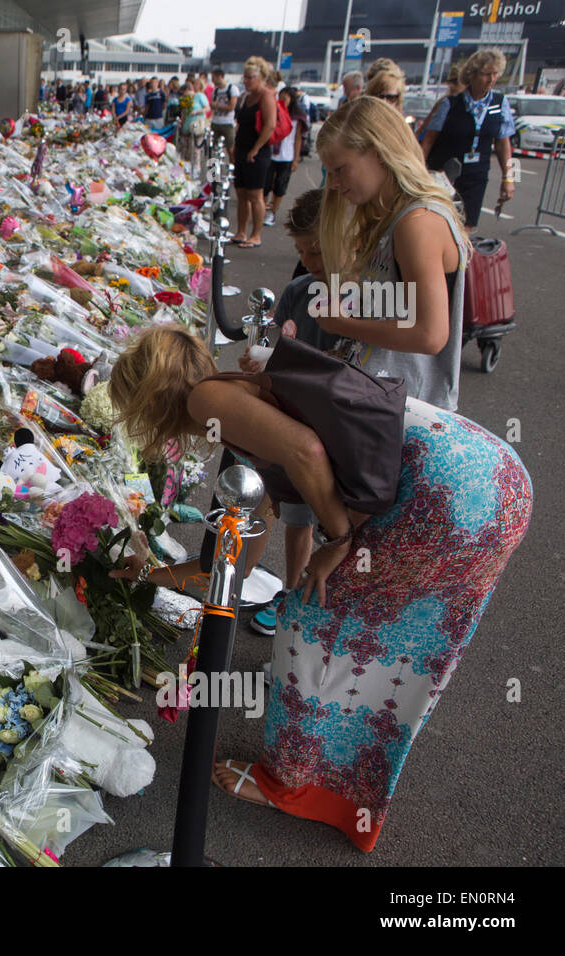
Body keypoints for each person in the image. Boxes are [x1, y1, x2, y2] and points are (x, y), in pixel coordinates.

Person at [107, 320, 532, 852]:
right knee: (402, 647)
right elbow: (233, 560)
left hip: (442, 493)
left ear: (151, 395)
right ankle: (340, 792)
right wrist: (149, 575)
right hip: (492, 478)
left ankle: (290, 783)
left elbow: (305, 451)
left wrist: (340, 537)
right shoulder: (244, 399)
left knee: (315, 624)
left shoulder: (206, 401)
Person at [317, 96, 469, 411]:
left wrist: (342, 324)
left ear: (378, 152)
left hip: (405, 413)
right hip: (379, 400)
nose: (333, 184)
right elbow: (386, 313)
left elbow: (429, 335)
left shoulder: (417, 223)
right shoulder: (389, 218)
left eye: (340, 169)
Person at [242, 190, 334, 636]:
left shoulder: (364, 297)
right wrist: (260, 360)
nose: (309, 259)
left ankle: (301, 596)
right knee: (289, 509)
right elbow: (278, 346)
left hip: (333, 427)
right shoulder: (298, 291)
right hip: (293, 418)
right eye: (301, 251)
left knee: (328, 521)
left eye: (317, 249)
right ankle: (280, 587)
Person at [421, 48, 516, 231]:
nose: (491, 79)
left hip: (476, 174)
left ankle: (460, 259)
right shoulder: (449, 104)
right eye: (486, 74)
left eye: (495, 74)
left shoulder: (500, 103)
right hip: (443, 173)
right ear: (472, 75)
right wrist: (419, 171)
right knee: (438, 223)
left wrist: (509, 178)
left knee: (467, 224)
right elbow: (428, 140)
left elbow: (504, 143)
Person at [232, 57, 277, 247]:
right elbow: (239, 123)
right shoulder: (244, 97)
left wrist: (256, 149)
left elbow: (270, 125)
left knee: (255, 195)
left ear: (261, 78)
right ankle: (241, 231)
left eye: (251, 77)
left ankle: (255, 234)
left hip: (257, 152)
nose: (247, 81)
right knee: (241, 193)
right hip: (241, 148)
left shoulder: (266, 96)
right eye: (245, 77)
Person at [263, 85, 305, 226]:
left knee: (280, 186)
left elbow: (298, 138)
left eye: (284, 98)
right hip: (271, 154)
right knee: (266, 185)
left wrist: (295, 159)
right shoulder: (274, 111)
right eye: (279, 97)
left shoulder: (297, 117)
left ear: (291, 99)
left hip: (286, 155)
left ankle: (273, 212)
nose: (281, 100)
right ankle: (262, 210)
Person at [415, 66, 464, 142]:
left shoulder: (468, 105)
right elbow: (426, 124)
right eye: (449, 82)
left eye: (455, 81)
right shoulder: (444, 102)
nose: (451, 85)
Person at [178, 76, 210, 170]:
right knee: (185, 148)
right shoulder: (190, 96)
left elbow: (207, 108)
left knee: (196, 149)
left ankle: (196, 168)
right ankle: (185, 166)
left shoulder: (200, 96)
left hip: (196, 125)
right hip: (187, 125)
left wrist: (197, 112)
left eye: (196, 84)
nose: (194, 85)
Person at [210, 67, 240, 163]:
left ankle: (232, 169)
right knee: (213, 148)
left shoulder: (232, 89)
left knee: (230, 149)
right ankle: (213, 169)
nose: (212, 80)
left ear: (220, 77)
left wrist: (217, 106)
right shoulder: (215, 91)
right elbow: (212, 105)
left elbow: (231, 107)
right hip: (216, 122)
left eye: (213, 78)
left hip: (227, 122)